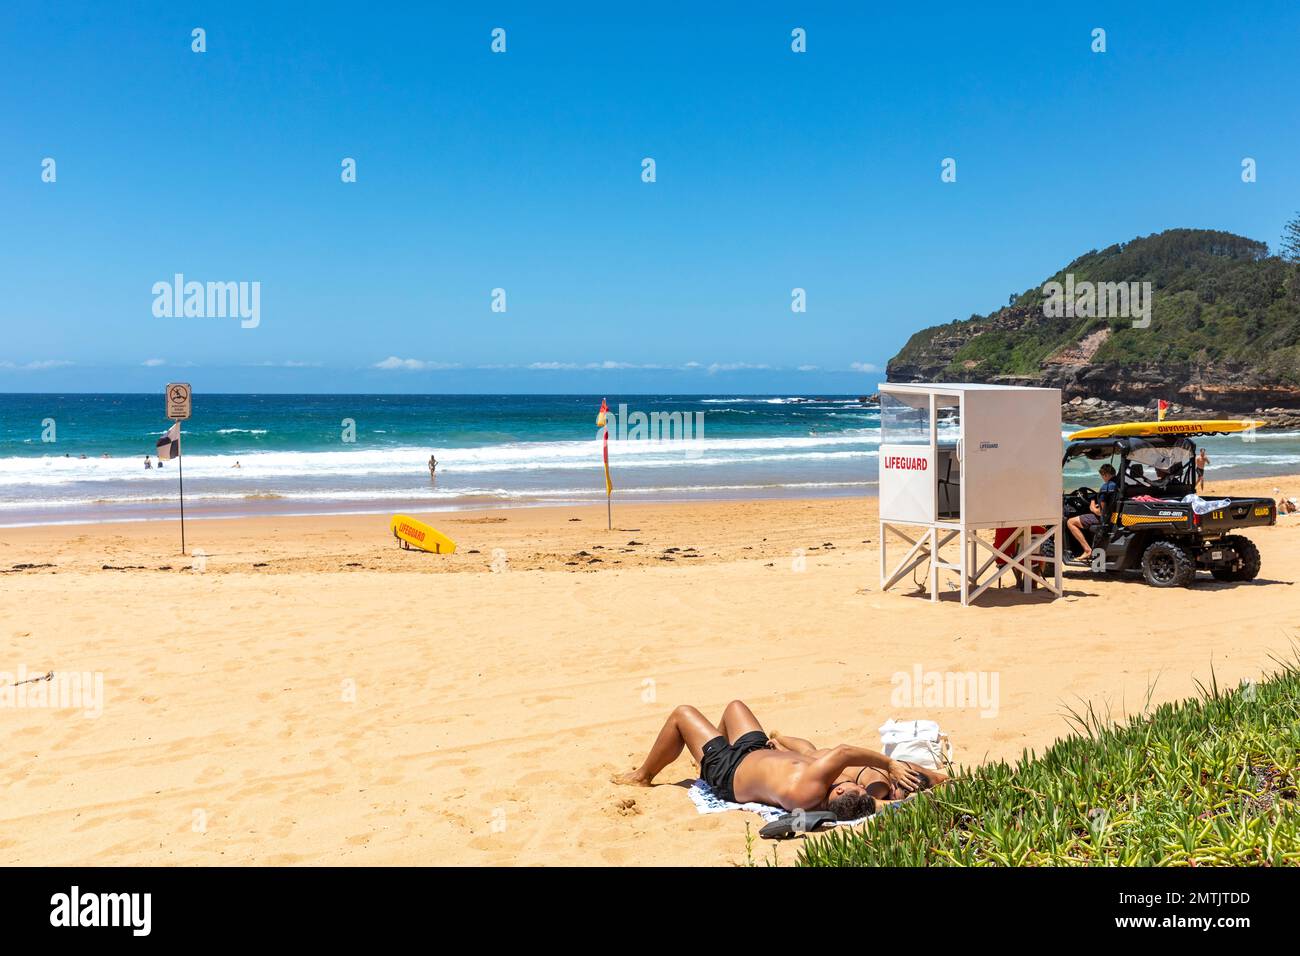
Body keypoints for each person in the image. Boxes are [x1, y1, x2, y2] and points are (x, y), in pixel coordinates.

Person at [612, 700, 925, 820]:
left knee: (682, 715)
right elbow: (874, 805)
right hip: (756, 751)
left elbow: (844, 752)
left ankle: (643, 775)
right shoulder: (829, 801)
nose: (850, 783)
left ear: (840, 792)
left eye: (848, 785)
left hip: (728, 770)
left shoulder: (812, 785)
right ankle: (704, 758)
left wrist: (889, 764)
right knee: (734, 707)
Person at [1066, 463, 1118, 559]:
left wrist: (1092, 508)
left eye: (1102, 476)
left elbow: (1101, 513)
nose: (1103, 478)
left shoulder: (1106, 488)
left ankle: (1087, 550)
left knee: (1070, 522)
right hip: (1115, 516)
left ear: (1105, 474)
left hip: (1104, 519)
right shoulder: (1120, 485)